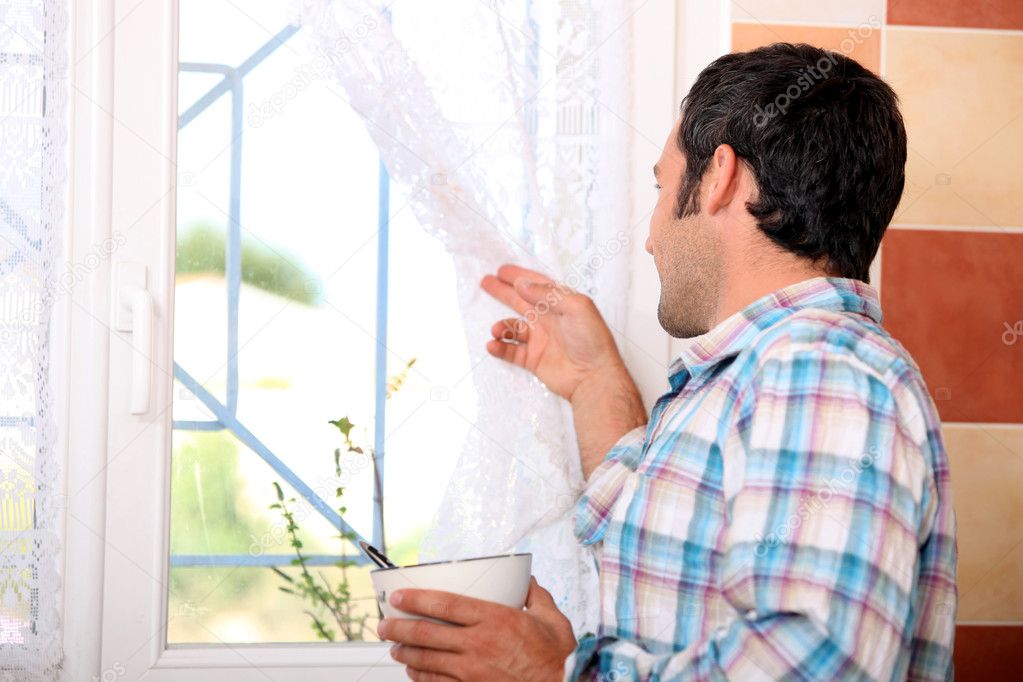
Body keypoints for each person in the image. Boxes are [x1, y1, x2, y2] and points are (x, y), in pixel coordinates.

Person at [376, 43, 957, 681]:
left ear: (719, 178)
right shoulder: (765, 373)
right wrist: (595, 382)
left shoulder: (825, 371)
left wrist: (549, 674)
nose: (651, 235)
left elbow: (810, 667)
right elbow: (648, 522)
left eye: (661, 184)